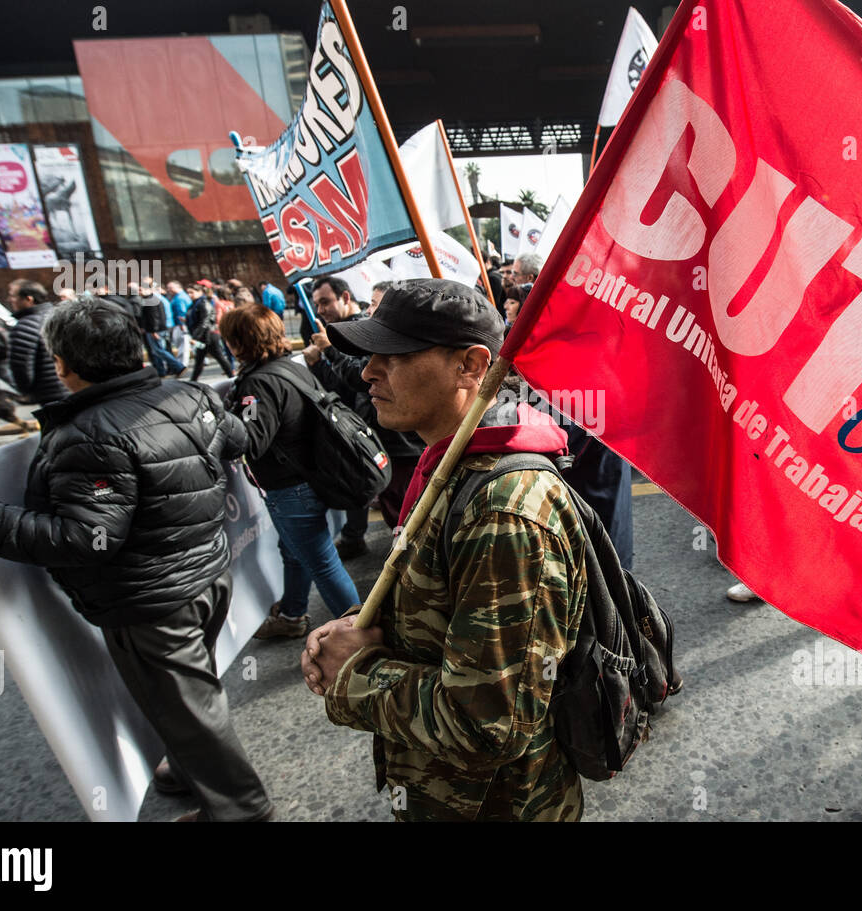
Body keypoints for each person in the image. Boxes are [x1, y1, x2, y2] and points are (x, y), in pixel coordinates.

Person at [0, 297, 272, 822]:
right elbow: (235, 440)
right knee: (191, 698)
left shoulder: (91, 434)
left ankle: (242, 811)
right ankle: (200, 774)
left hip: (152, 600)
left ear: (63, 365)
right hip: (208, 574)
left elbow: (84, 538)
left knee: (190, 709)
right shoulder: (189, 393)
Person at [302, 278, 589, 821]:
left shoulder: (505, 515)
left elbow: (488, 721)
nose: (368, 372)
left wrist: (355, 671)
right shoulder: (446, 466)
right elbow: (440, 606)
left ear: (471, 366)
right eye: (370, 354)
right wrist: (353, 625)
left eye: (395, 355)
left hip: (497, 804)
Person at [218, 304, 361, 639]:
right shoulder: (288, 368)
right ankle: (293, 614)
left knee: (322, 564)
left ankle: (362, 637)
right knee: (296, 552)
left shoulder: (257, 384)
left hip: (291, 488)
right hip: (307, 478)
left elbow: (251, 441)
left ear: (238, 343)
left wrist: (217, 415)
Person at [301, 276, 424, 559]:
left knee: (407, 516)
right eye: (369, 305)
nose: (370, 312)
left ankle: (408, 565)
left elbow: (358, 378)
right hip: (384, 437)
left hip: (402, 443)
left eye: (375, 306)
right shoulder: (370, 336)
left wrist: (328, 351)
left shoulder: (398, 343)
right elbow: (349, 383)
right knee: (397, 510)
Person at [6, 280, 69, 404]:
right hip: (72, 385)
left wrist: (26, 391)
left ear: (29, 299)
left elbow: (21, 367)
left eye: (13, 296)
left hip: (50, 392)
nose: (10, 299)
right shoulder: (61, 315)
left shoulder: (25, 326)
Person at [187, 285, 235, 381]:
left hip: (209, 335)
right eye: (188, 292)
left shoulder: (203, 302)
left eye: (192, 292)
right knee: (199, 360)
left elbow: (205, 321)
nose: (189, 295)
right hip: (204, 335)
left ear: (200, 292)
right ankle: (193, 381)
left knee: (219, 357)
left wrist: (196, 336)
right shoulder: (195, 303)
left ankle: (233, 378)